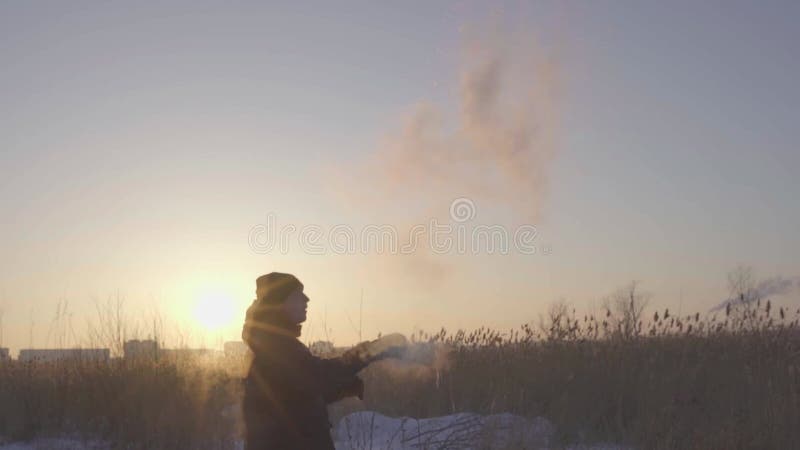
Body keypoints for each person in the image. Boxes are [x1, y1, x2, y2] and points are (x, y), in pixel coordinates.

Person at [241, 272, 398, 450]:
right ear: (280, 303)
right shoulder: (276, 347)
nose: (306, 299)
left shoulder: (274, 344)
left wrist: (343, 387)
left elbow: (298, 396)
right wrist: (370, 351)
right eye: (298, 295)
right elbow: (318, 376)